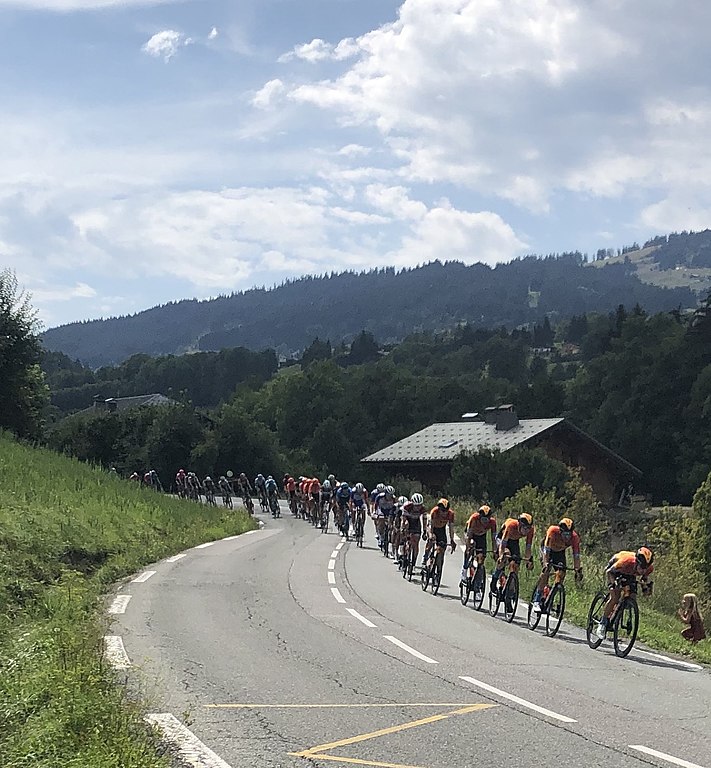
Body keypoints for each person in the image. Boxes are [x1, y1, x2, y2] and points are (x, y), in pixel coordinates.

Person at [596, 546, 654, 639]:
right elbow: (609, 572)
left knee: (632, 597)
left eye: (646, 568)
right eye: (642, 567)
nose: (643, 570)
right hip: (616, 569)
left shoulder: (649, 568)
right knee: (615, 596)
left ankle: (618, 611)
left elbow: (644, 578)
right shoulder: (626, 562)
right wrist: (613, 584)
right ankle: (602, 623)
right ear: (637, 562)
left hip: (630, 573)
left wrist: (645, 587)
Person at [531, 517, 583, 613]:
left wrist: (577, 570)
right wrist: (546, 563)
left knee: (561, 573)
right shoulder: (553, 531)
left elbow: (576, 556)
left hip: (559, 552)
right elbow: (546, 550)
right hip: (547, 549)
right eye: (565, 534)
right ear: (560, 531)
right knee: (546, 570)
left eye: (569, 534)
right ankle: (537, 600)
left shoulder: (575, 537)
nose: (567, 536)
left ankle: (550, 597)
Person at [489, 513, 535, 594]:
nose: (526, 531)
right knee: (506, 554)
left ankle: (510, 589)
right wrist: (501, 556)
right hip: (502, 538)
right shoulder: (511, 525)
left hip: (514, 541)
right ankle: (495, 579)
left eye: (528, 528)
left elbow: (528, 547)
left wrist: (528, 560)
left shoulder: (531, 530)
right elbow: (503, 544)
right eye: (524, 528)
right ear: (519, 525)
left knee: (516, 563)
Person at [460, 504, 497, 583]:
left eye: (487, 519)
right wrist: (468, 547)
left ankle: (478, 578)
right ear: (480, 517)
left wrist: (495, 550)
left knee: (481, 557)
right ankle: (465, 568)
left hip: (481, 536)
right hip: (471, 533)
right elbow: (469, 535)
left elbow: (493, 538)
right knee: (471, 546)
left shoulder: (493, 522)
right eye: (483, 519)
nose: (485, 522)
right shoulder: (474, 518)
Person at [422, 498, 456, 567]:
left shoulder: (450, 514)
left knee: (443, 546)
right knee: (431, 541)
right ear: (439, 509)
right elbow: (431, 525)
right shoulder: (435, 511)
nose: (444, 513)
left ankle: (439, 564)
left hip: (441, 529)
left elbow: (451, 528)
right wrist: (430, 535)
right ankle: (425, 559)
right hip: (432, 528)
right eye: (442, 510)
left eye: (446, 510)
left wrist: (452, 540)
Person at [400, 493, 426, 567]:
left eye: (419, 505)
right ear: (412, 503)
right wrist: (402, 529)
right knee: (406, 525)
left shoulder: (423, 509)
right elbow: (403, 519)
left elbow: (424, 520)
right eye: (416, 505)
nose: (418, 507)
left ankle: (413, 563)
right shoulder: (407, 506)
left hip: (416, 522)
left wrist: (424, 531)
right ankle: (403, 551)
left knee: (416, 542)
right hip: (408, 520)